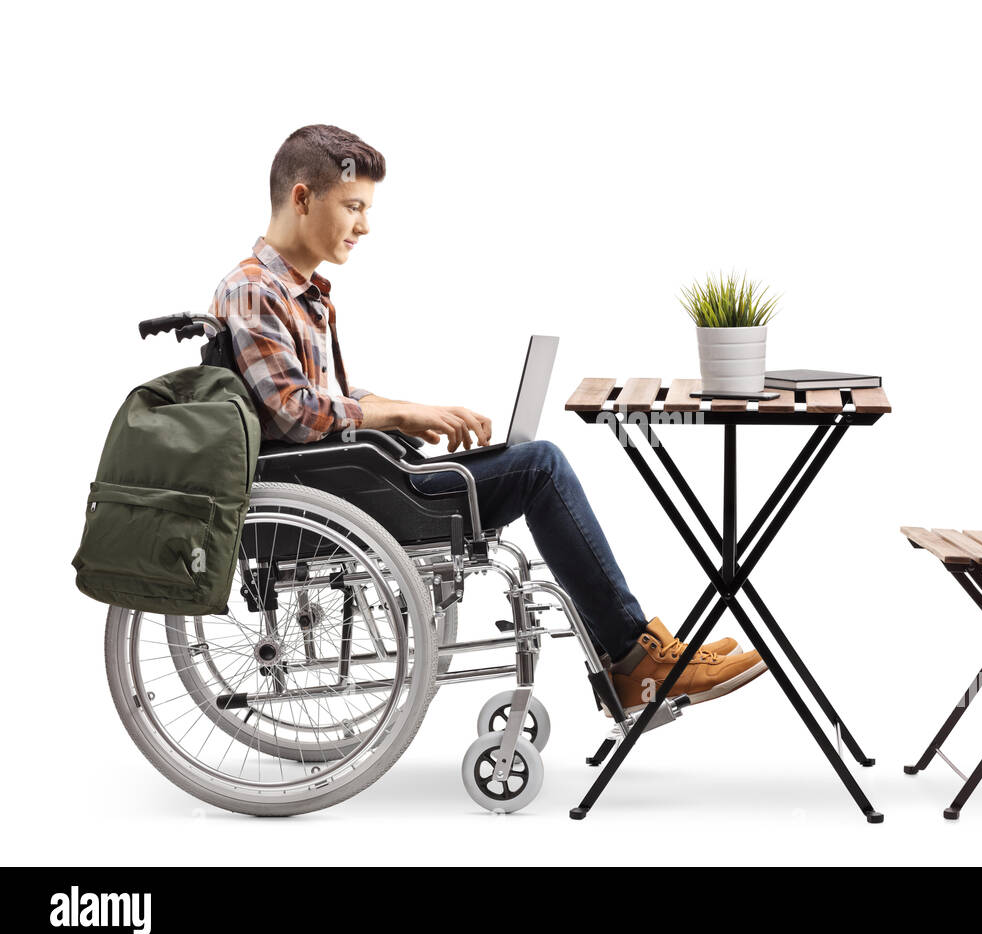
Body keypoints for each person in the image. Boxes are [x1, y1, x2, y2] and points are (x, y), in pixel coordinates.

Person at [209, 124, 768, 712]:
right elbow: (297, 414)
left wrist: (417, 412)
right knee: (540, 467)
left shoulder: (297, 291)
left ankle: (634, 656)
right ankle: (636, 660)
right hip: (328, 499)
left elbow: (330, 398)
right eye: (354, 206)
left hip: (345, 483)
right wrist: (400, 414)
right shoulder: (254, 289)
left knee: (531, 464)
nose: (365, 225)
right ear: (302, 198)